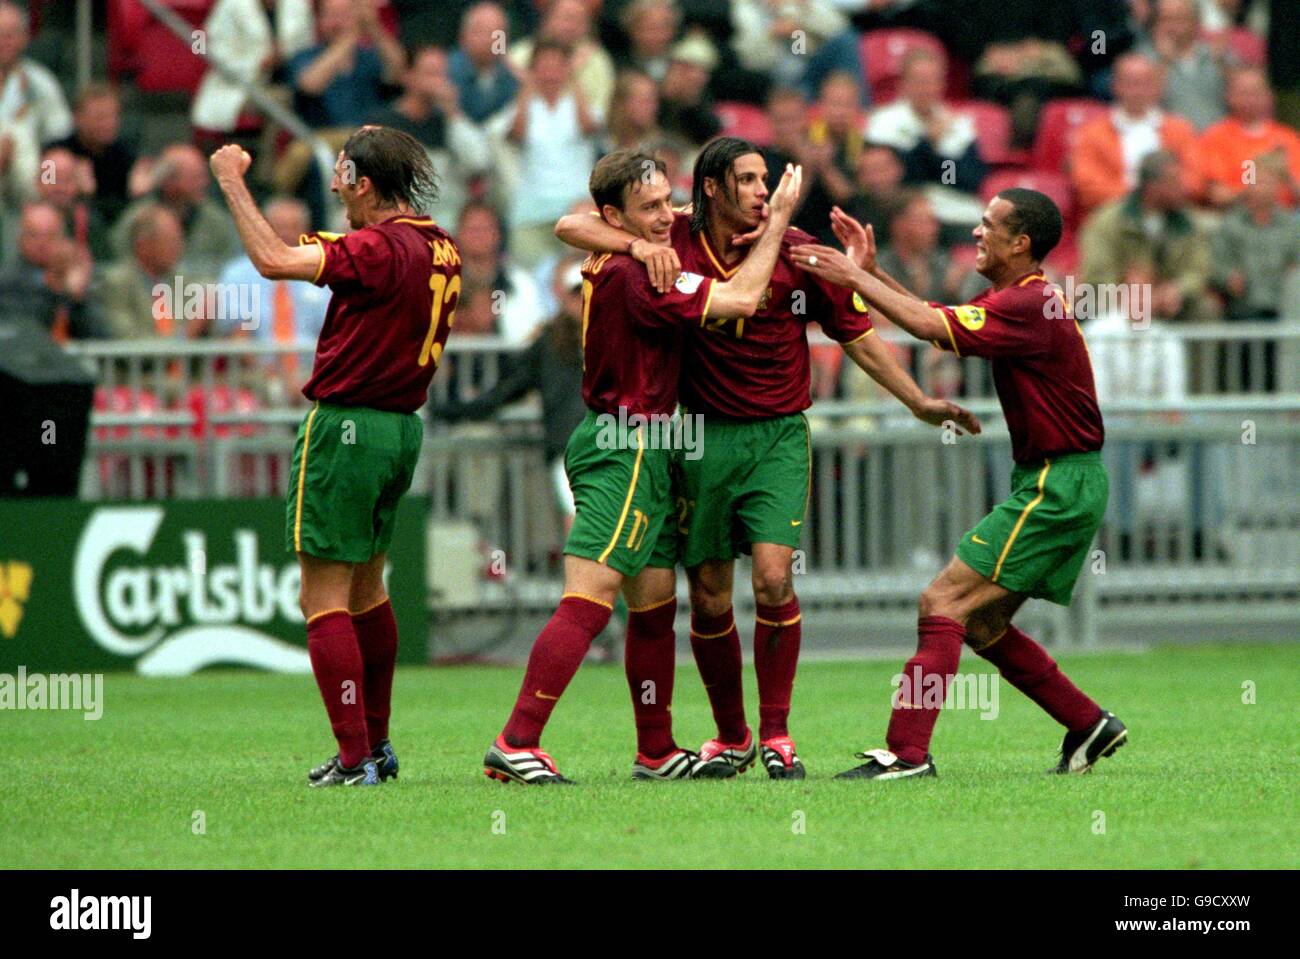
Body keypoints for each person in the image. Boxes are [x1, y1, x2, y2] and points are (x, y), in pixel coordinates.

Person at [557, 137, 979, 779]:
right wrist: (637, 243)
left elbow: (858, 338)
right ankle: (732, 736)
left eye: (766, 181)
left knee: (774, 579)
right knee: (708, 593)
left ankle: (778, 732)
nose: (763, 192)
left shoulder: (798, 250)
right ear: (710, 189)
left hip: (778, 436)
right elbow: (573, 224)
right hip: (696, 437)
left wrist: (918, 401)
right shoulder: (673, 233)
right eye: (749, 181)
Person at [484, 151, 804, 785]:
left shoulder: (630, 254)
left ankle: (655, 749)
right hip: (625, 442)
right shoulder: (643, 277)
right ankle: (517, 739)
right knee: (589, 597)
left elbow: (571, 227)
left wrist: (631, 239)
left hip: (651, 445)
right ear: (616, 214)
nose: (666, 219)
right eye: (650, 209)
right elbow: (742, 297)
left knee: (654, 606)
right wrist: (779, 222)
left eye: (667, 203)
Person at [789, 191, 1128, 780]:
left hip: (1057, 483)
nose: (976, 232)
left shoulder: (1028, 304)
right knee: (982, 622)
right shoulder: (1023, 300)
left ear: (1020, 243)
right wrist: (872, 272)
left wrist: (848, 275)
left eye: (988, 225)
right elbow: (933, 314)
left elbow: (927, 327)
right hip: (1061, 479)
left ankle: (907, 754)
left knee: (941, 602)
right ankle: (1086, 722)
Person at [210, 126, 458, 787]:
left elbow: (271, 261)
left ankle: (355, 758)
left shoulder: (375, 247)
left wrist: (232, 179)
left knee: (322, 599)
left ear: (365, 183)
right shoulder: (442, 246)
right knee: (369, 590)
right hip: (401, 430)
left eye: (342, 173)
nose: (333, 185)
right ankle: (375, 745)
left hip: (347, 426)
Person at [1070, 52, 1204, 216]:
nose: (1138, 90)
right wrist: (1141, 199)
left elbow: (1196, 179)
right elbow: (1087, 186)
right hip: (1116, 215)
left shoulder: (1180, 130)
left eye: (1145, 83)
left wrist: (1164, 195)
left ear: (1157, 86)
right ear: (1115, 86)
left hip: (1174, 211)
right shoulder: (1092, 134)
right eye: (1131, 83)